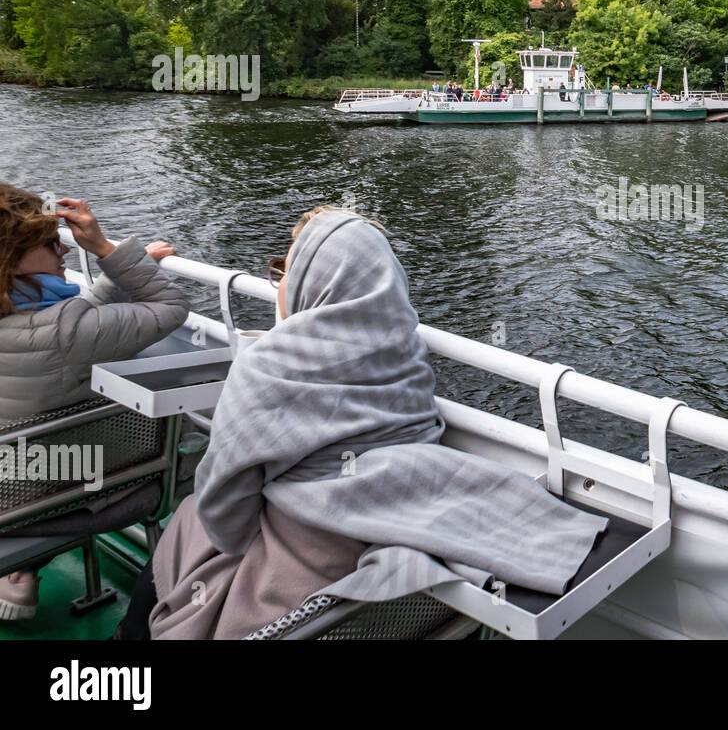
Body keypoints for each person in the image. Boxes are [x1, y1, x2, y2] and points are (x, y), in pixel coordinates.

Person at [125, 207, 607, 639]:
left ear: (315, 283)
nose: (279, 286)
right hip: (363, 593)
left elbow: (226, 520)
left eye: (284, 272)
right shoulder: (406, 354)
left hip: (289, 594)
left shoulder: (267, 366)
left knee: (187, 524)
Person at [0, 184, 189, 620]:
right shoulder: (68, 332)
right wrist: (105, 248)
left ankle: (22, 572)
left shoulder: (37, 318)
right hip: (62, 498)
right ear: (14, 259)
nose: (65, 251)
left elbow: (70, 322)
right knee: (195, 452)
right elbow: (171, 306)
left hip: (11, 484)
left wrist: (128, 266)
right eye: (52, 243)